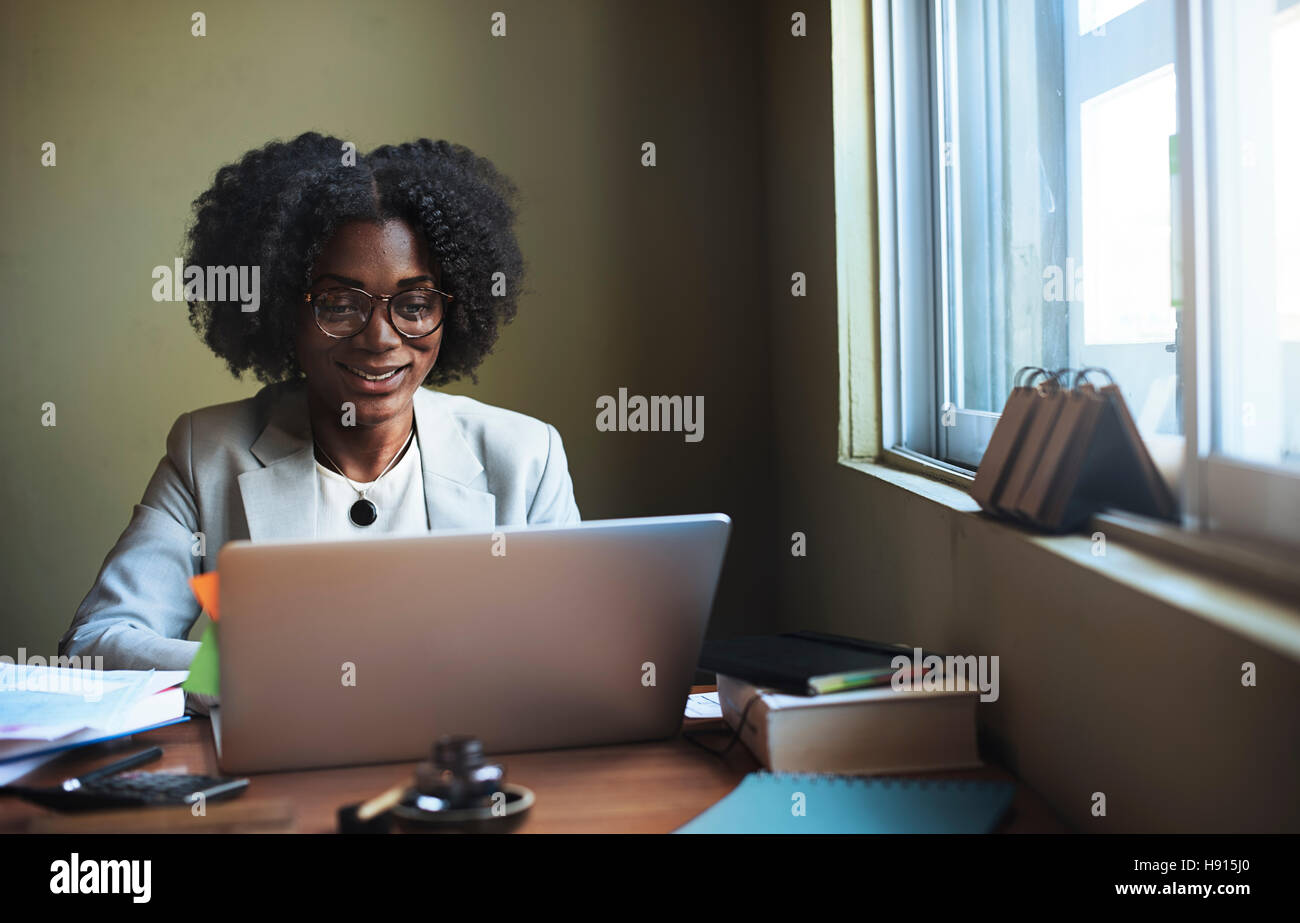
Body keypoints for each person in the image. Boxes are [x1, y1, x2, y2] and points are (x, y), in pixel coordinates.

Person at [59, 133, 581, 686]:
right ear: (285, 309)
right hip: (284, 764)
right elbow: (97, 642)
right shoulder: (208, 453)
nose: (381, 338)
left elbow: (576, 644)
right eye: (339, 303)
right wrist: (261, 673)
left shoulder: (525, 456)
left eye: (415, 304)